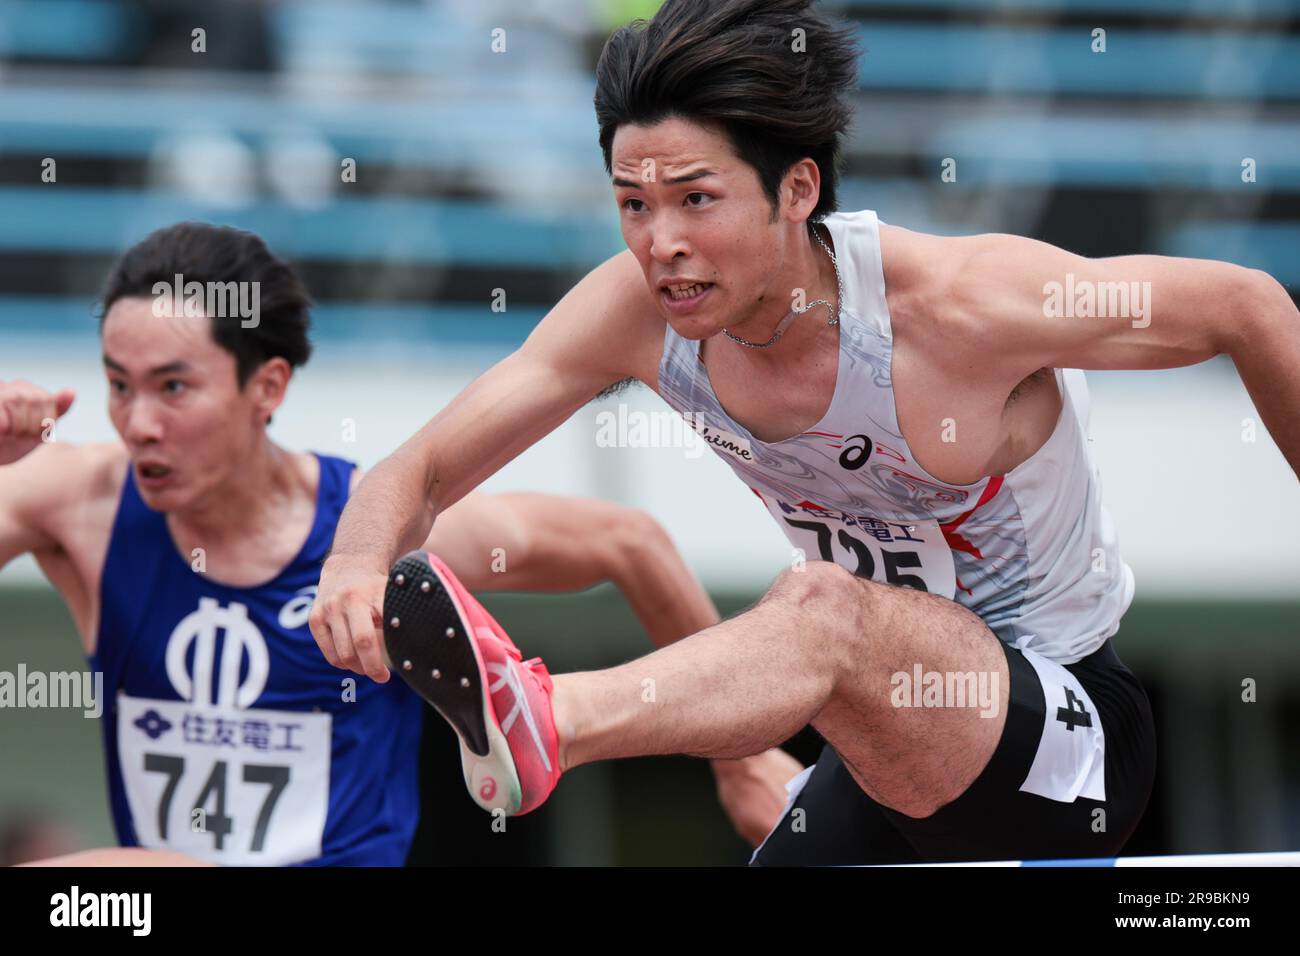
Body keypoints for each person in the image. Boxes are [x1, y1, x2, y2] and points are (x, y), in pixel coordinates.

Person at [308, 0, 1299, 864]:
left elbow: (1246, 306)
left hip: (1070, 734)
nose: (661, 244)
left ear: (798, 190)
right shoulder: (635, 313)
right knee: (830, 630)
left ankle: (548, 718)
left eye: (696, 199)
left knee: (821, 603)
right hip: (880, 737)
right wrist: (355, 560)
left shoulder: (959, 309)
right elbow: (424, 464)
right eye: (632, 204)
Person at [0, 221, 793, 866]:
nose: (139, 423)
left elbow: (629, 542)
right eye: (117, 385)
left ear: (266, 387)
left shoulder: (373, 533)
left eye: (173, 387)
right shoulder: (81, 506)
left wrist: (740, 760)